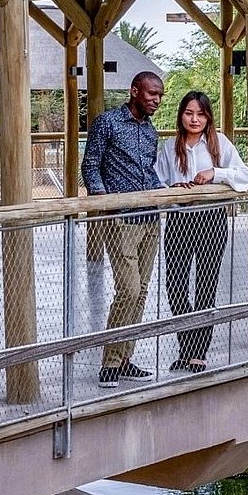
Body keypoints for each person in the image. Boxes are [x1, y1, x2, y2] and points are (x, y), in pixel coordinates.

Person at [155, 90, 248, 372]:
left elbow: (244, 174)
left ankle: (198, 353)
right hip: (179, 221)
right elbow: (157, 180)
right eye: (189, 113)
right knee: (175, 288)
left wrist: (215, 173)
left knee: (205, 286)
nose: (194, 119)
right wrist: (171, 192)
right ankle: (186, 346)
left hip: (211, 220)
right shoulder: (170, 146)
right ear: (181, 115)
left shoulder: (219, 144)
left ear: (208, 117)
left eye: (200, 114)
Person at [81, 70, 165, 386]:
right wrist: (104, 201)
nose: (156, 100)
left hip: (150, 219)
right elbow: (90, 166)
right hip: (121, 219)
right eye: (151, 94)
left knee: (141, 292)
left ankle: (126, 358)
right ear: (134, 91)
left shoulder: (150, 131)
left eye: (160, 95)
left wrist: (168, 191)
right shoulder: (108, 123)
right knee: (128, 289)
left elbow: (149, 173)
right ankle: (110, 363)